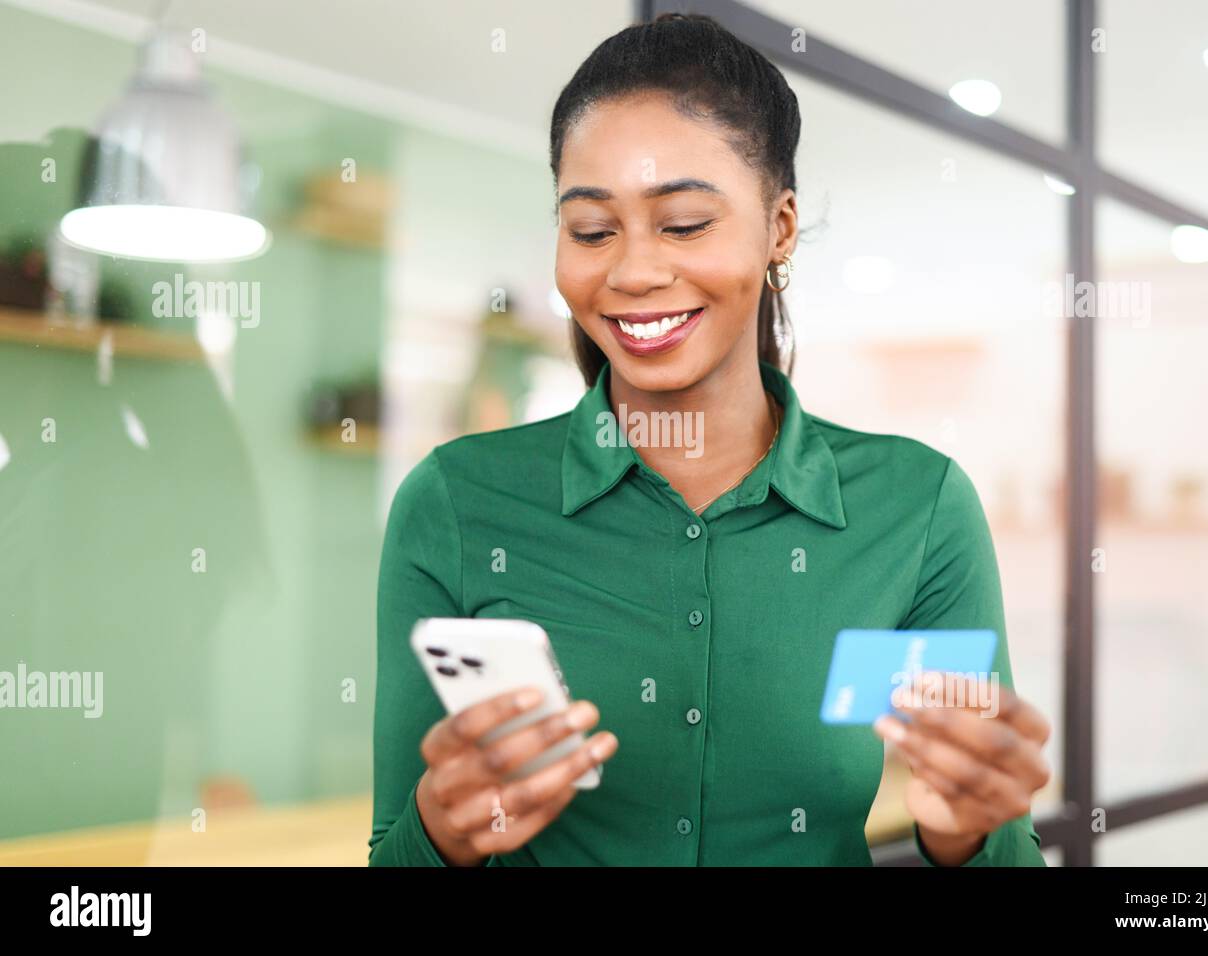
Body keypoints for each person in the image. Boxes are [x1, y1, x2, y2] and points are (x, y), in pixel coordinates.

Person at [369, 12, 1050, 867]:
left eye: (684, 223)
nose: (632, 272)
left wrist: (967, 831)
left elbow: (998, 842)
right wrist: (440, 832)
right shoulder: (458, 502)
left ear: (779, 228)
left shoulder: (915, 509)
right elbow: (390, 849)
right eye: (590, 230)